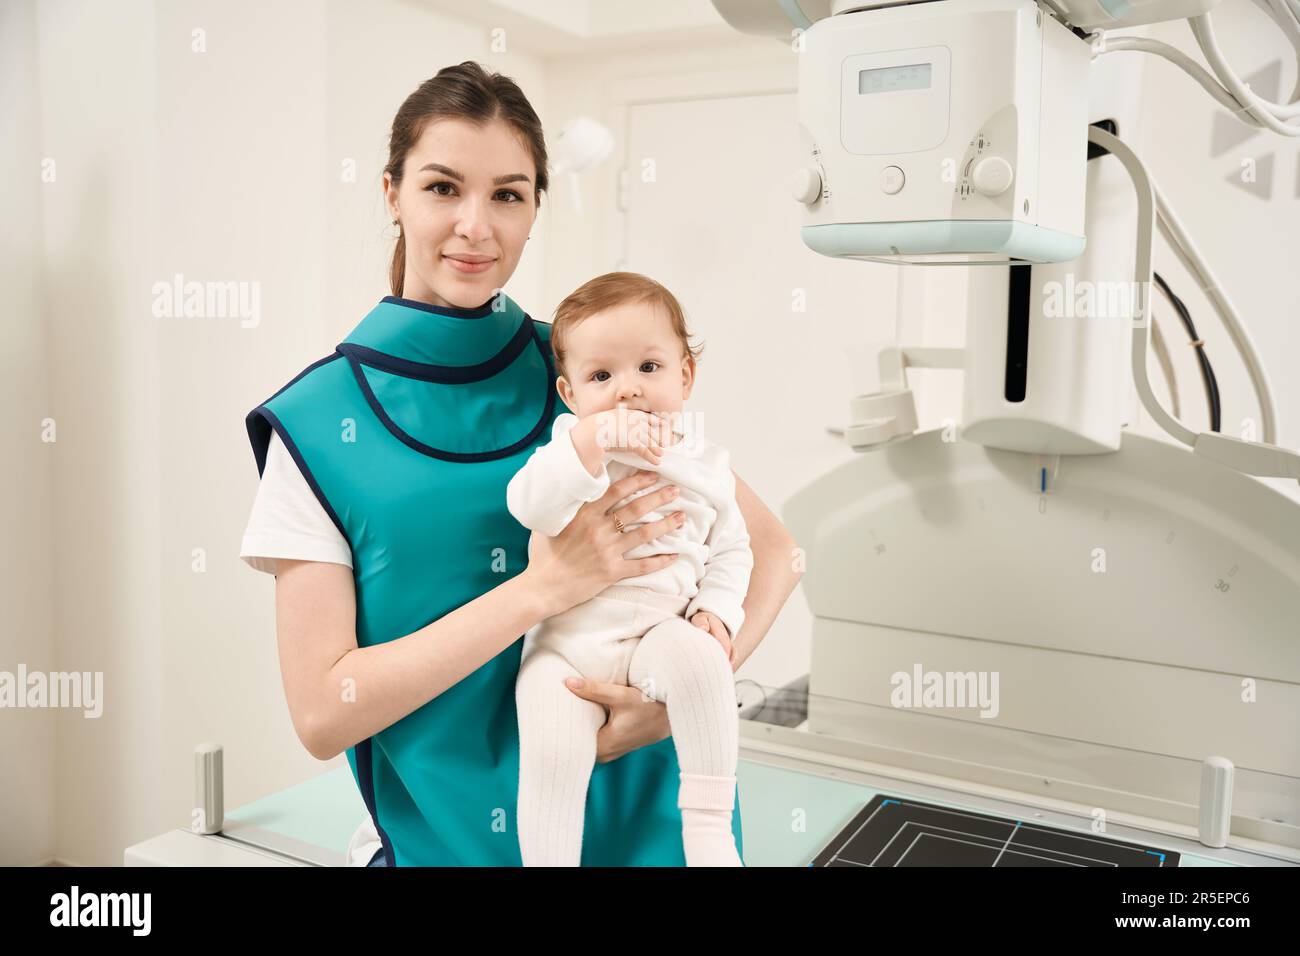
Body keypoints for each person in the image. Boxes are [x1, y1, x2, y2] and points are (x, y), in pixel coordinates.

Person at [239, 61, 803, 866]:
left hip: (665, 834)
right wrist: (542, 589)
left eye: (508, 193)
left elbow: (775, 552)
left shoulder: (594, 370)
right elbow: (325, 713)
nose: (476, 225)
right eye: (442, 187)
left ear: (537, 207)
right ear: (392, 191)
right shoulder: (318, 427)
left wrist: (680, 697)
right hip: (449, 844)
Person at [508, 272, 751, 867]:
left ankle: (709, 832)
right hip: (566, 646)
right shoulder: (567, 450)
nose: (628, 392)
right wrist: (590, 445)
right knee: (554, 756)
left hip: (657, 635)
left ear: (685, 375)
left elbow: (735, 549)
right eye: (601, 377)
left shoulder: (706, 462)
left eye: (648, 367)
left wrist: (716, 611)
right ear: (570, 395)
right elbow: (528, 505)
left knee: (705, 664)